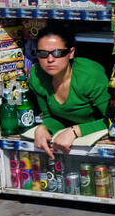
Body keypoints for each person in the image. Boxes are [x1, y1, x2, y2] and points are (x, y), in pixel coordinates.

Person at [27, 26, 110, 157]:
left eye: (57, 53)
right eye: (42, 53)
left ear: (71, 53)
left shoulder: (90, 76)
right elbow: (51, 117)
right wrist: (43, 128)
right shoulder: (37, 76)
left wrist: (75, 131)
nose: (50, 60)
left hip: (100, 144)